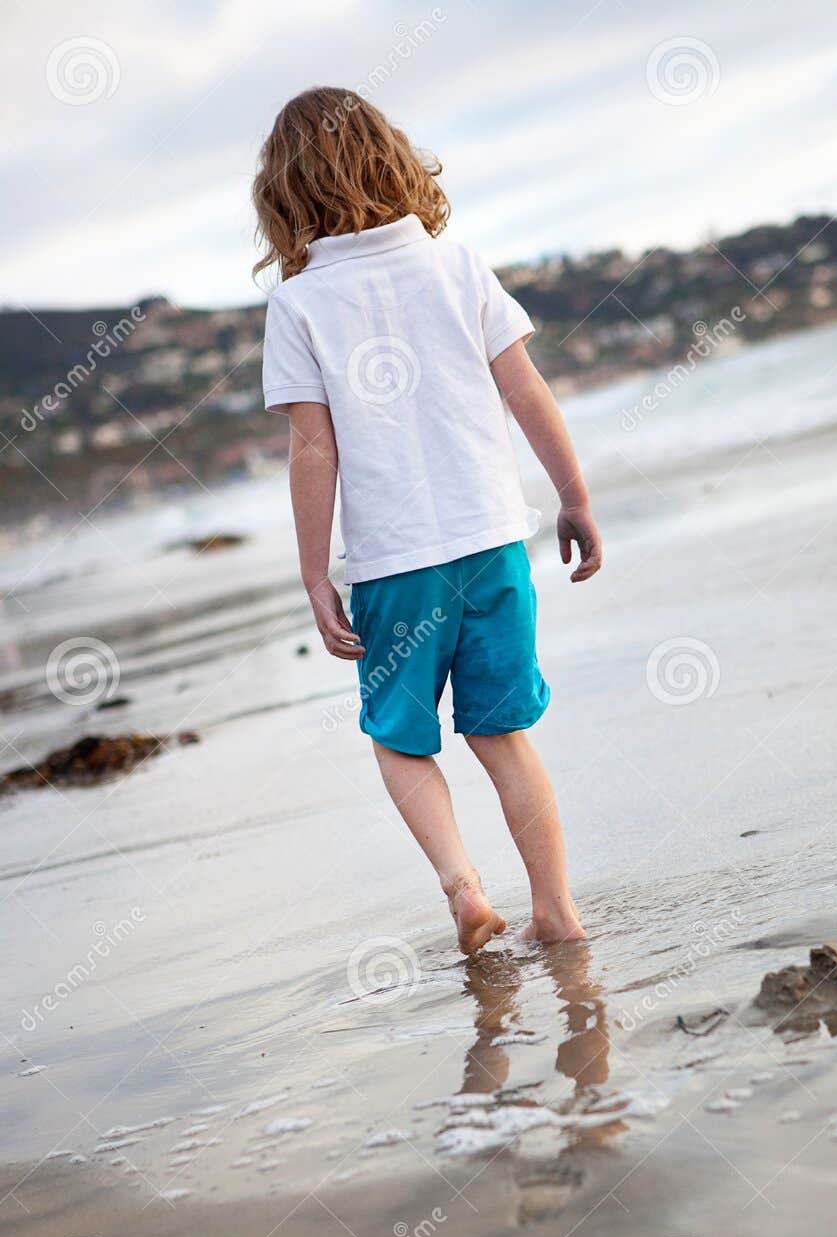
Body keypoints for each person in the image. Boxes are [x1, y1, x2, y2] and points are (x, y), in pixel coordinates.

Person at [254, 88, 602, 954]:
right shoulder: (454, 263)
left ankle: (465, 889)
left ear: (283, 196)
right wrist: (573, 496)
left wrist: (312, 574)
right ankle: (556, 912)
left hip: (394, 568)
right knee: (503, 735)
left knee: (401, 740)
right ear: (393, 160)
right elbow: (525, 389)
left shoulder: (298, 305)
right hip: (491, 547)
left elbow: (313, 451)